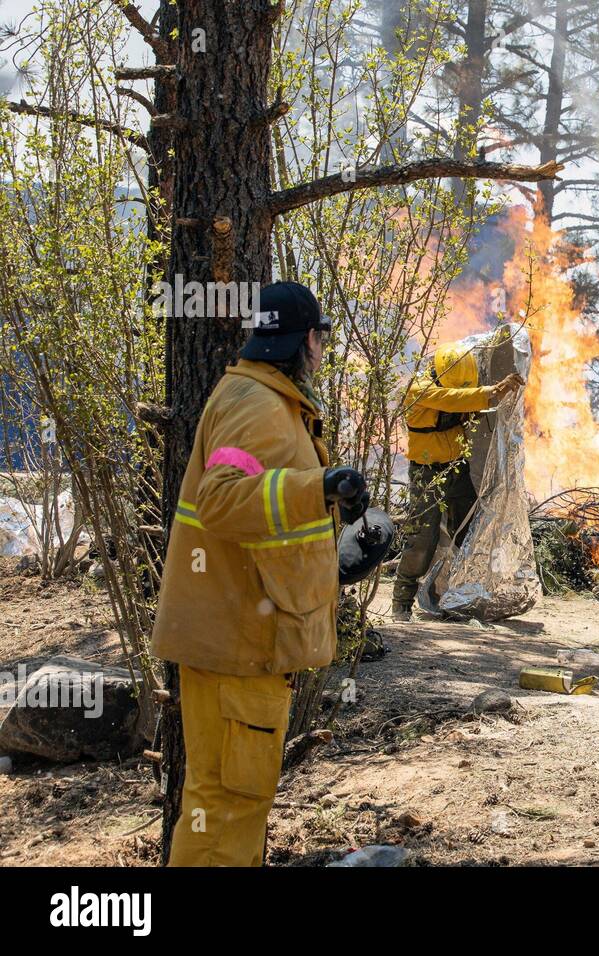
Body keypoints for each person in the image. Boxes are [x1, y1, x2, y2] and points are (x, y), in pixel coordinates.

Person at [152, 281, 369, 866]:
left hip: (241, 640)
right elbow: (223, 499)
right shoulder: (255, 405)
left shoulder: (265, 401)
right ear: (303, 342)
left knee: (231, 805)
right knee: (225, 805)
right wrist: (318, 486)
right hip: (235, 648)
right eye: (321, 338)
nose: (322, 351)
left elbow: (269, 526)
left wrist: (341, 564)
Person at [391, 342, 524, 621]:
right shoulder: (419, 389)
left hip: (456, 469)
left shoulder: (458, 382)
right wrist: (493, 391)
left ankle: (463, 598)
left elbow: (462, 399)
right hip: (426, 473)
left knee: (469, 533)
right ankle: (401, 601)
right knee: (422, 539)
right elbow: (452, 398)